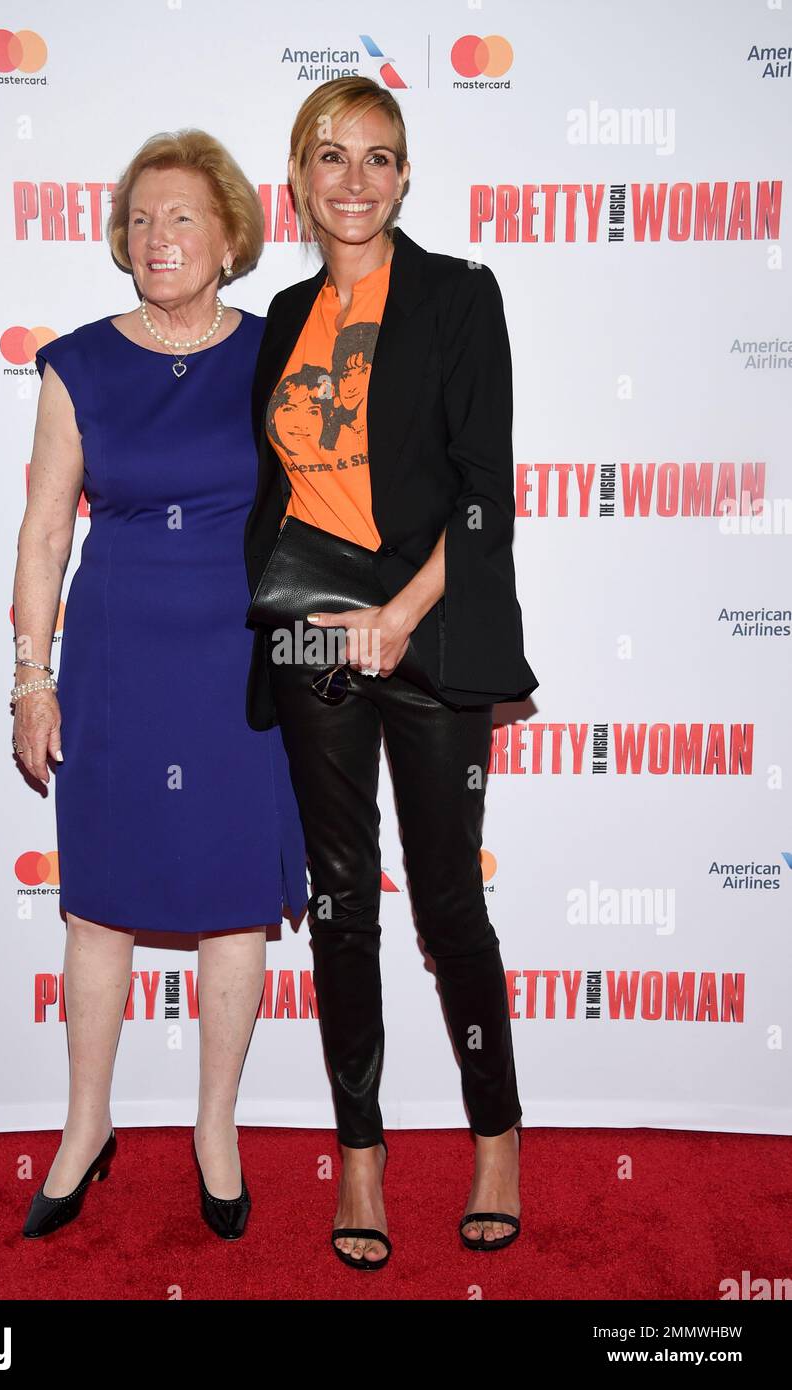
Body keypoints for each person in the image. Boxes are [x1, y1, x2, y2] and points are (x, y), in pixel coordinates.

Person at [244, 77, 538, 1268]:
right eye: (330, 156)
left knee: (447, 903)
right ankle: (357, 1154)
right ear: (299, 180)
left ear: (405, 176)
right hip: (309, 632)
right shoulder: (280, 314)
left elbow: (482, 485)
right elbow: (271, 484)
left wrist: (400, 613)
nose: (354, 179)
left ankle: (495, 1135)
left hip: (423, 629)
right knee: (340, 902)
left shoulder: (459, 296)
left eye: (378, 156)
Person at [12, 129, 307, 1241]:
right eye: (141, 218)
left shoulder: (279, 348)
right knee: (99, 905)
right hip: (117, 663)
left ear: (231, 234)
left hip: (239, 663)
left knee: (236, 905)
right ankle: (84, 1128)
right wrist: (30, 680)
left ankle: (214, 1131)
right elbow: (44, 534)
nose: (158, 237)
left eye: (183, 216)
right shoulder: (76, 363)